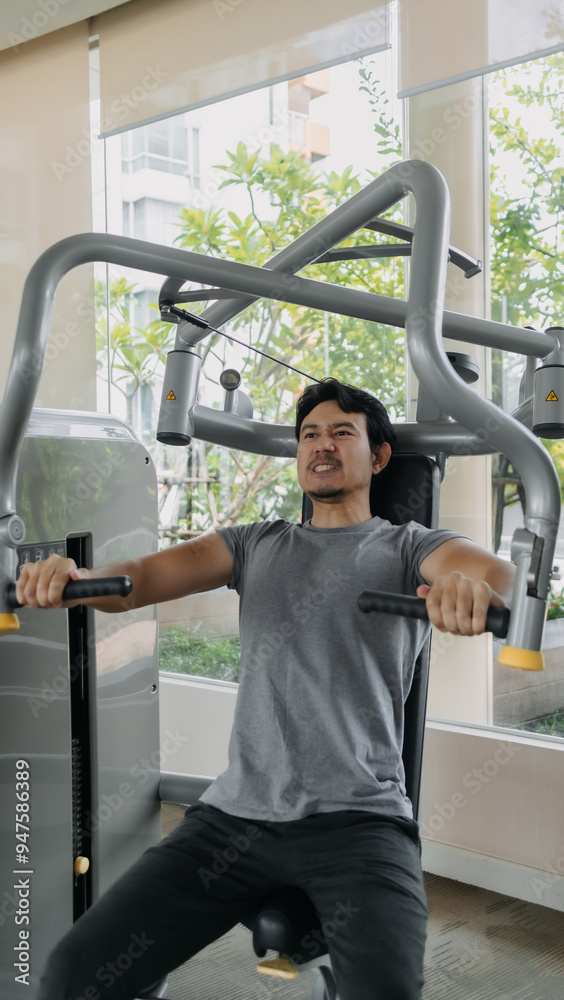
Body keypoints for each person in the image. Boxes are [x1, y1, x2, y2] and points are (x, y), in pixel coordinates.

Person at [18, 378, 514, 1000]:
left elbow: (493, 574)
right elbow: (138, 580)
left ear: (379, 457)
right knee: (74, 975)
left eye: (342, 433)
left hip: (359, 823)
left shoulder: (409, 547)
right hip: (231, 821)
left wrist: (473, 591)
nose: (322, 446)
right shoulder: (255, 544)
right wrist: (74, 573)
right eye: (309, 435)